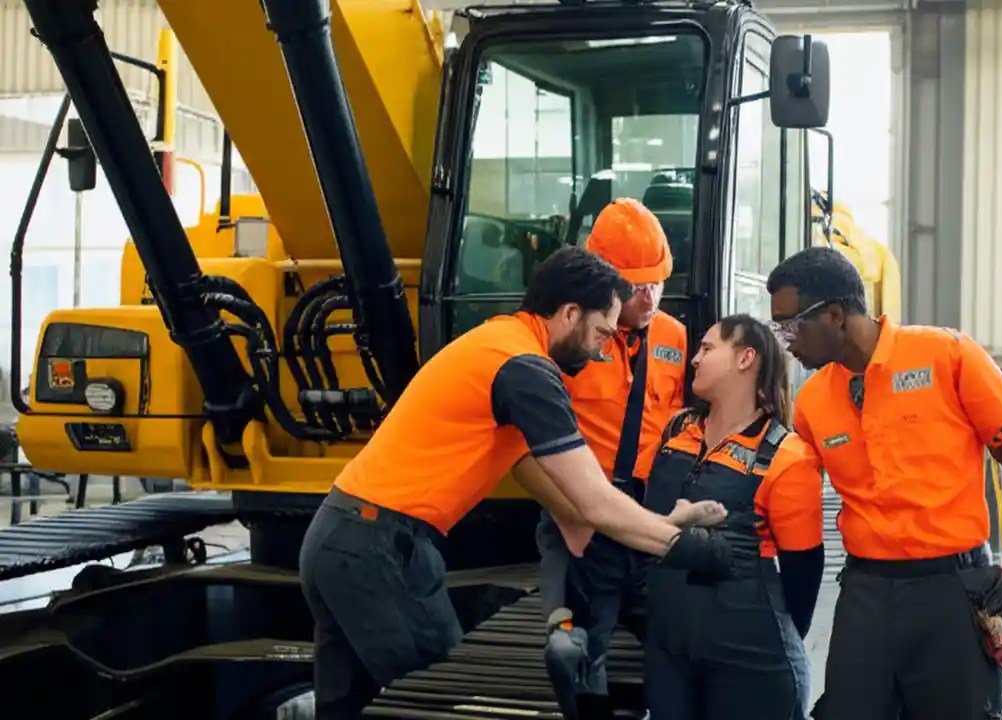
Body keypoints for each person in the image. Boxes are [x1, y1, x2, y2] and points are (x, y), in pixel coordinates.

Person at [297, 246, 732, 720]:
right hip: (381, 549)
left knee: (346, 707)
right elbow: (592, 498)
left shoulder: (497, 343)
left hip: (336, 537)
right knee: (446, 698)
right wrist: (683, 544)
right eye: (602, 332)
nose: (604, 347)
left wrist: (589, 522)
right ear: (569, 313)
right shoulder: (526, 369)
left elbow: (533, 469)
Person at [766, 246, 1002, 720]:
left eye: (791, 326)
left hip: (952, 592)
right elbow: (789, 482)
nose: (785, 340)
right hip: (865, 594)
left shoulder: (947, 356)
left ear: (835, 315)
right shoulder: (813, 400)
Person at [519, 199, 688, 719]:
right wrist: (572, 514)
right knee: (580, 652)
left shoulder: (676, 338)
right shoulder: (567, 343)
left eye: (657, 281)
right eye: (636, 286)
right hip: (584, 520)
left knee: (672, 639)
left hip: (646, 516)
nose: (649, 296)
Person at [641, 315, 825, 720]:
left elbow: (804, 570)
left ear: (746, 358)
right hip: (669, 652)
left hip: (751, 659)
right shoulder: (676, 431)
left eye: (707, 349)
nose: (694, 359)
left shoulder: (787, 456)